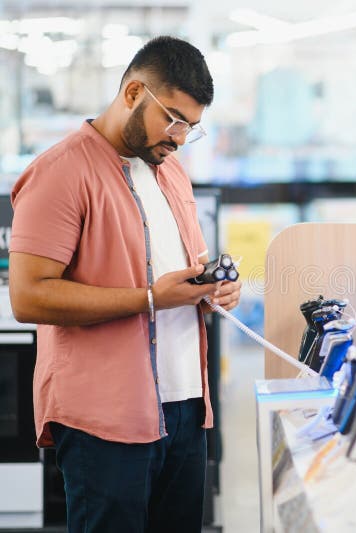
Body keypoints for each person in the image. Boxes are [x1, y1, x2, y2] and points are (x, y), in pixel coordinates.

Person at [8, 36, 240, 532]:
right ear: (134, 93)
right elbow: (27, 296)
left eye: (192, 127)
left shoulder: (171, 172)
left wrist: (212, 292)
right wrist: (152, 298)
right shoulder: (60, 172)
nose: (179, 137)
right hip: (105, 420)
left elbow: (189, 269)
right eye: (173, 119)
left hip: (185, 411)